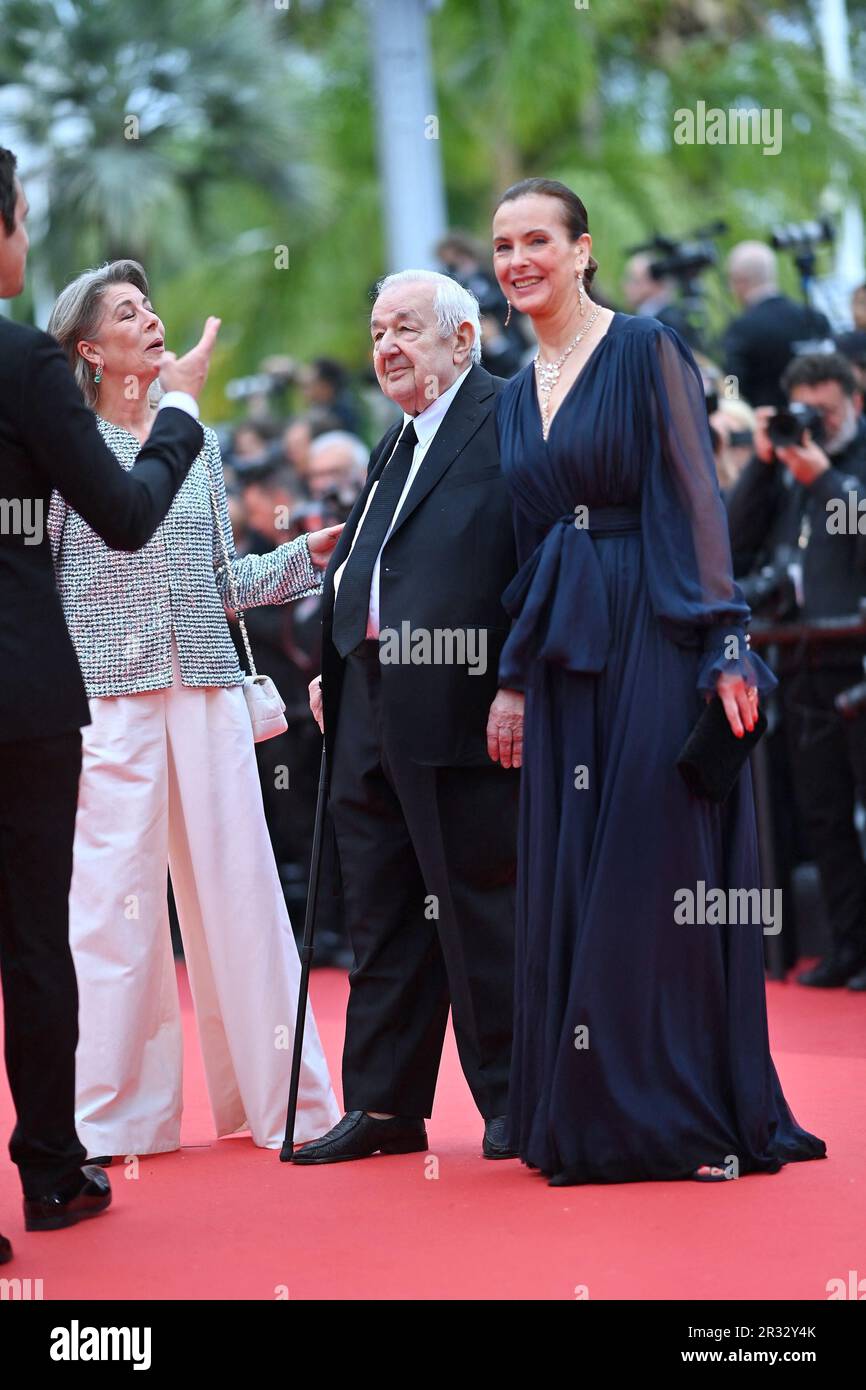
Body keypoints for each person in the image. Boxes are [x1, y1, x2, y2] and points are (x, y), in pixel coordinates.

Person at [490, 177, 826, 1184]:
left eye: (537, 240)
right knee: (574, 863)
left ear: (582, 249)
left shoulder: (644, 350)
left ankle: (663, 1109)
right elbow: (520, 547)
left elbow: (694, 496)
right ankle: (580, 1109)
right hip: (560, 655)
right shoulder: (511, 393)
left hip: (652, 625)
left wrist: (725, 639)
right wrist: (509, 678)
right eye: (504, 245)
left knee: (647, 860)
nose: (517, 261)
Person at [45, 258, 342, 1161]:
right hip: (107, 696)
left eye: (149, 305)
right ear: (90, 349)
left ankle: (279, 1101)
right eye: (127, 313)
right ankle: (118, 1119)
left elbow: (219, 585)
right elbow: (44, 584)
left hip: (209, 686)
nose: (151, 320)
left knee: (243, 889)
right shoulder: (62, 444)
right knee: (113, 903)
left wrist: (303, 556)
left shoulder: (198, 445)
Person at [0, 146, 216, 1258]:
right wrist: (177, 410)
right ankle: (49, 1170)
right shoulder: (27, 360)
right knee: (35, 938)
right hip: (22, 695)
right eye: (23, 221)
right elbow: (127, 514)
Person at [292, 269, 520, 1165]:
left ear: (462, 340)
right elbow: (368, 561)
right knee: (382, 905)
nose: (385, 346)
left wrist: (520, 679)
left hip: (464, 696)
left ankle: (516, 1096)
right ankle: (385, 1106)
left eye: (407, 330)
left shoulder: (509, 419)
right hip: (367, 697)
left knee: (477, 903)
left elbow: (535, 557)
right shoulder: (397, 440)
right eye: (377, 329)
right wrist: (343, 655)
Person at [727, 352, 866, 989]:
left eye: (827, 412)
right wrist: (762, 459)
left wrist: (827, 483)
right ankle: (847, 948)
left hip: (857, 663)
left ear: (855, 403)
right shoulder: (786, 465)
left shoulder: (844, 471)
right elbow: (729, 541)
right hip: (803, 665)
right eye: (804, 410)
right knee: (825, 814)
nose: (815, 424)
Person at [722, 242, 831, 409]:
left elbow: (733, 379)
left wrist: (731, 405)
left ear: (740, 280)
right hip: (821, 419)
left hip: (769, 426)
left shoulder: (742, 329)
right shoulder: (815, 319)